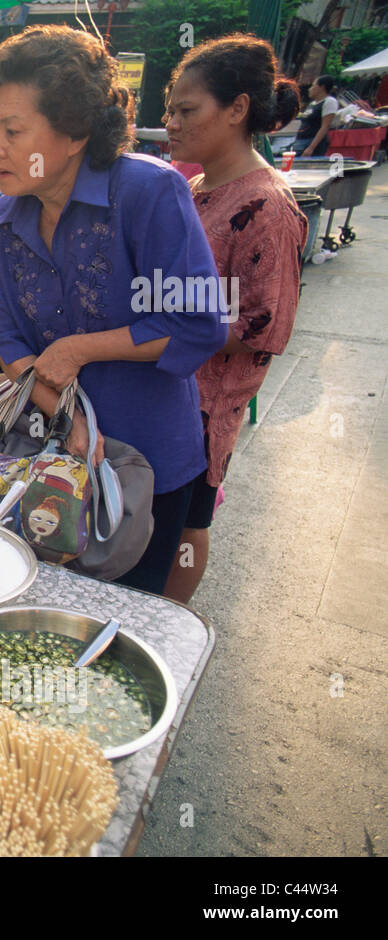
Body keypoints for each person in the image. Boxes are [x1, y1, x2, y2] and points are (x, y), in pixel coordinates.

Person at [0, 25, 228, 595]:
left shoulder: (147, 194)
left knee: (127, 616)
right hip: (49, 458)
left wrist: (79, 348)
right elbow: (8, 337)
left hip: (147, 460)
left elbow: (197, 323)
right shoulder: (5, 218)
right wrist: (62, 413)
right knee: (48, 611)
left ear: (74, 132)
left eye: (13, 131)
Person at [160, 34, 306, 603]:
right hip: (168, 385)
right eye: (171, 109)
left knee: (189, 525)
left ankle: (171, 623)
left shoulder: (267, 206)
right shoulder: (196, 188)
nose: (171, 121)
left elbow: (267, 326)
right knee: (158, 513)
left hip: (204, 402)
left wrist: (164, 337)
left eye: (187, 110)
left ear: (237, 109)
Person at [291, 74, 339, 157]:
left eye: (313, 86)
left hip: (311, 141)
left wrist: (311, 148)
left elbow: (325, 126)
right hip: (301, 140)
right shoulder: (313, 104)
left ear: (322, 87)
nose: (310, 89)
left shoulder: (329, 102)